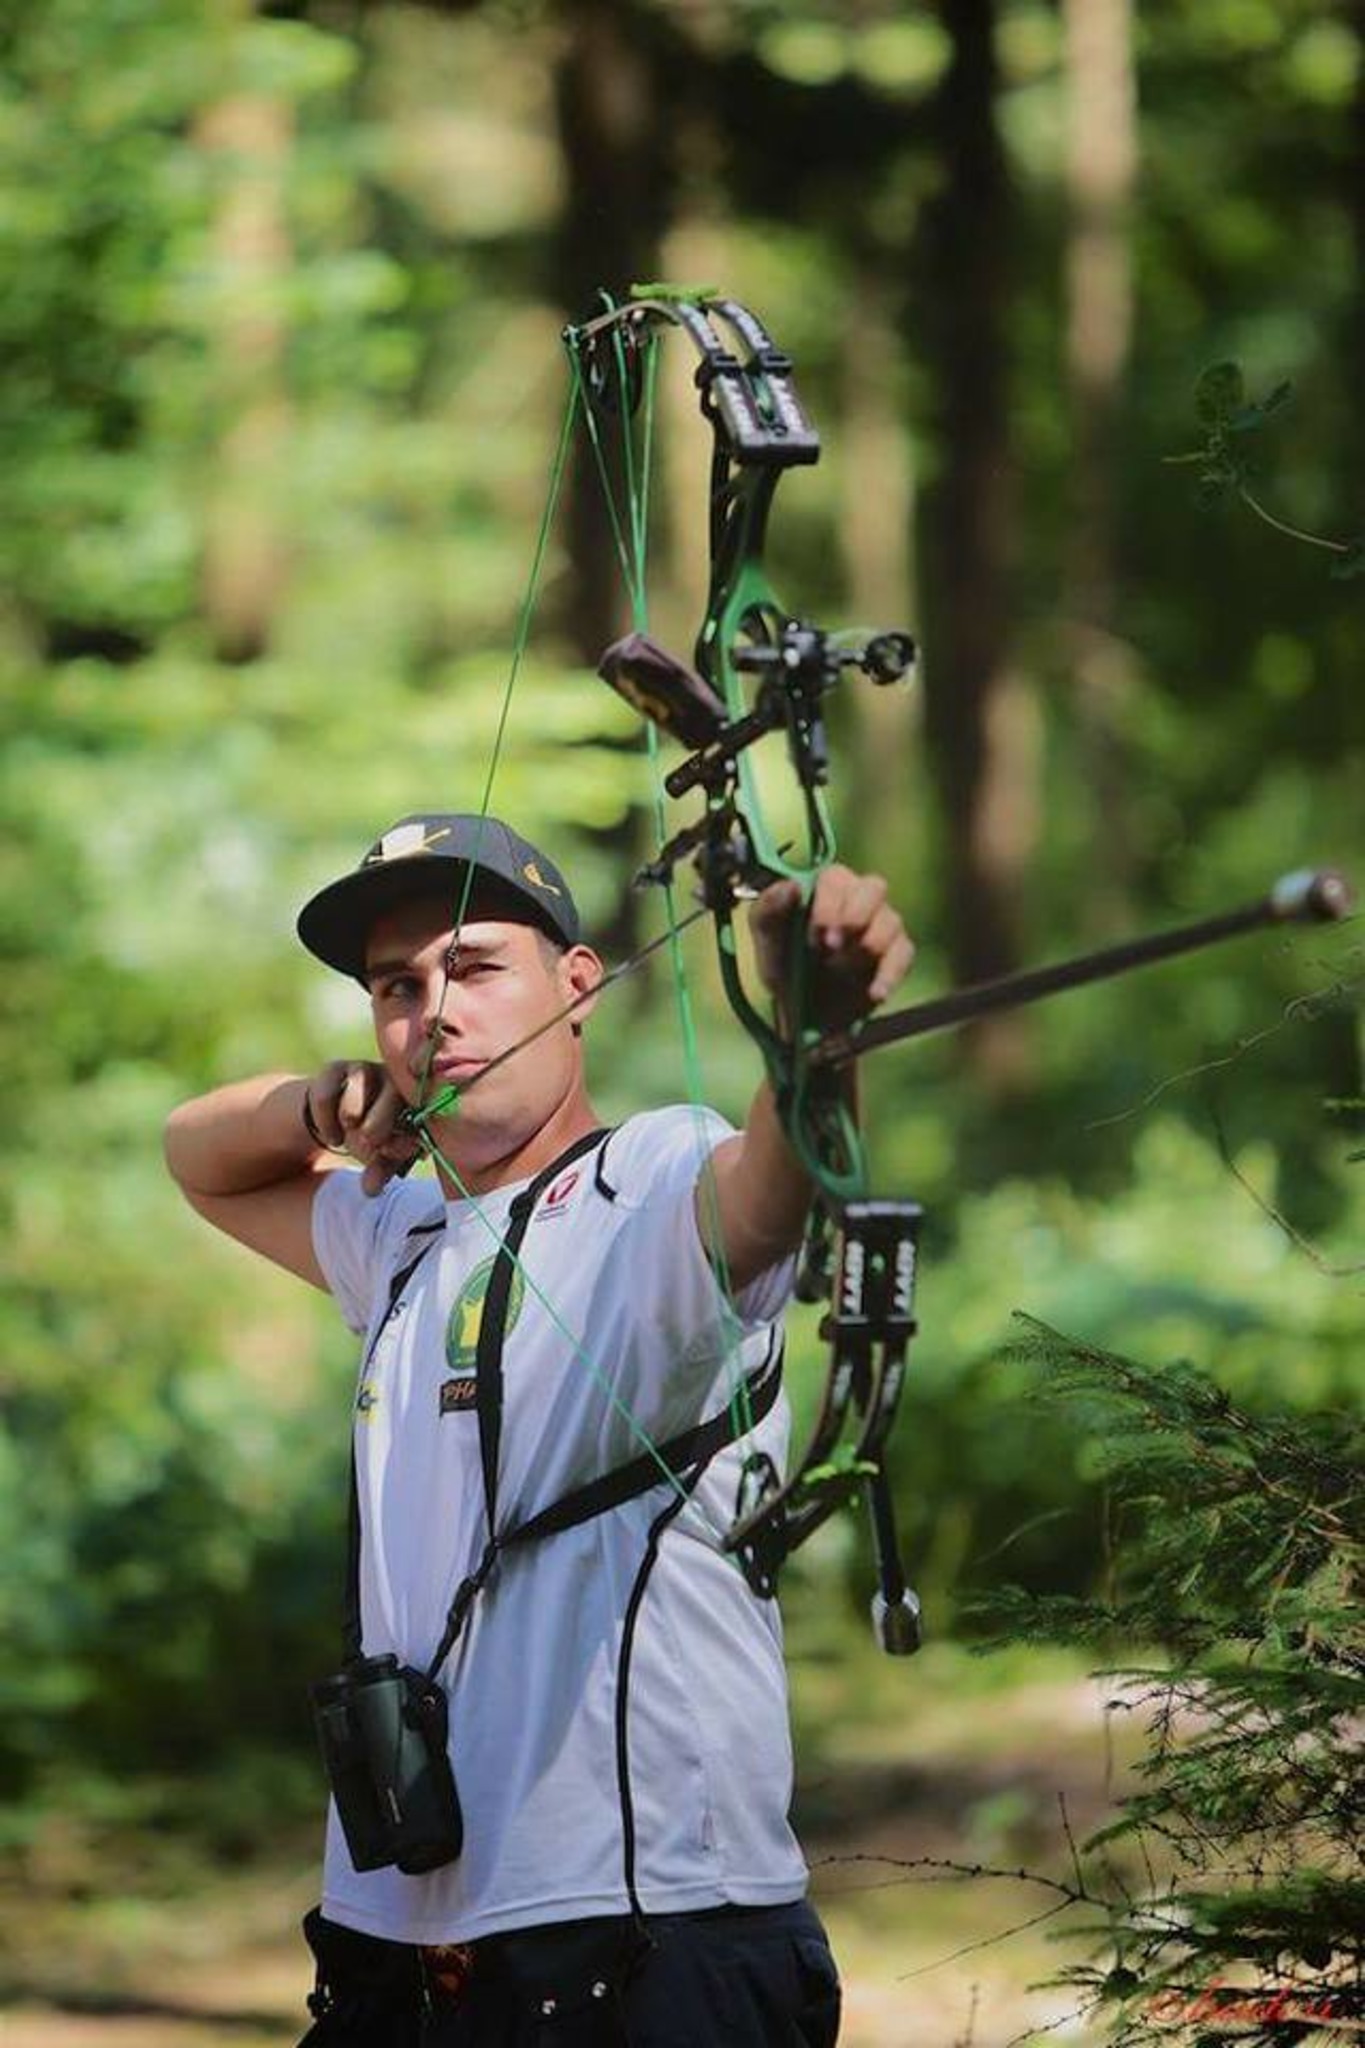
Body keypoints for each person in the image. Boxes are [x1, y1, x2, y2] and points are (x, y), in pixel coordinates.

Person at [164, 811, 913, 2047]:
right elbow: (197, 1155)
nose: (431, 1014)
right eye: (396, 988)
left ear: (579, 986)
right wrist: (316, 1105)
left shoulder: (653, 1181)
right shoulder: (399, 1233)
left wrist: (813, 1028)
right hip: (399, 1945)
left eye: (473, 966)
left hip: (646, 1931)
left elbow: (770, 1199)